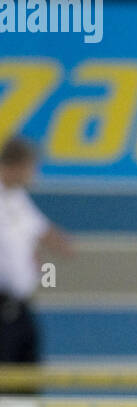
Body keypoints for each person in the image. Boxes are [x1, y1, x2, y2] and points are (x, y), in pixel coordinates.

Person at [0, 136, 73, 367]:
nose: (34, 173)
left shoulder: (17, 198)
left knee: (28, 372)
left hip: (19, 307)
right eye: (30, 167)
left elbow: (40, 231)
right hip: (2, 307)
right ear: (14, 166)